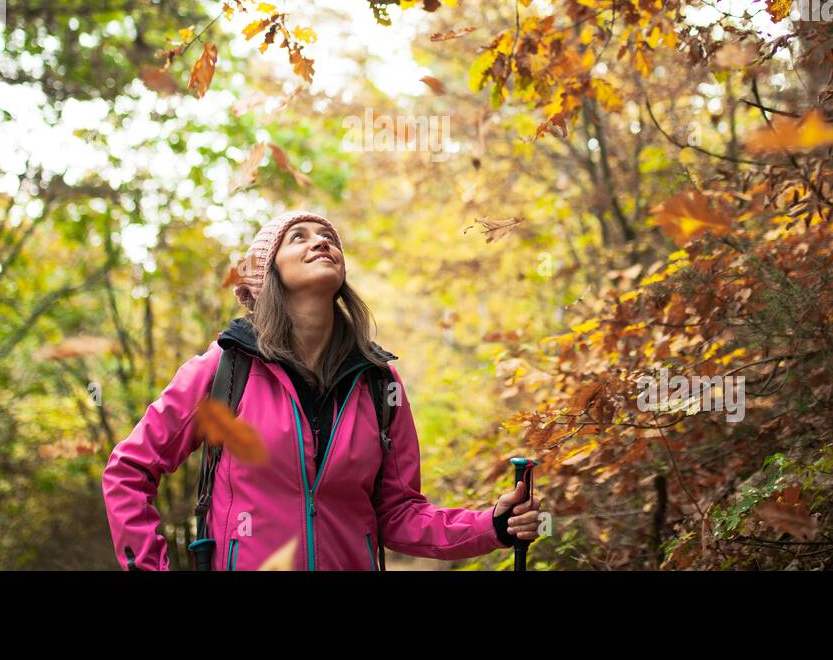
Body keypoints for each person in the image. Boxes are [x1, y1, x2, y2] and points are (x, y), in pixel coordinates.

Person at [101, 209, 541, 570]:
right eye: (299, 237)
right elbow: (128, 471)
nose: (321, 241)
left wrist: (490, 526)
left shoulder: (378, 383)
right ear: (268, 273)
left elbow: (399, 513)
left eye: (328, 236)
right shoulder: (225, 369)